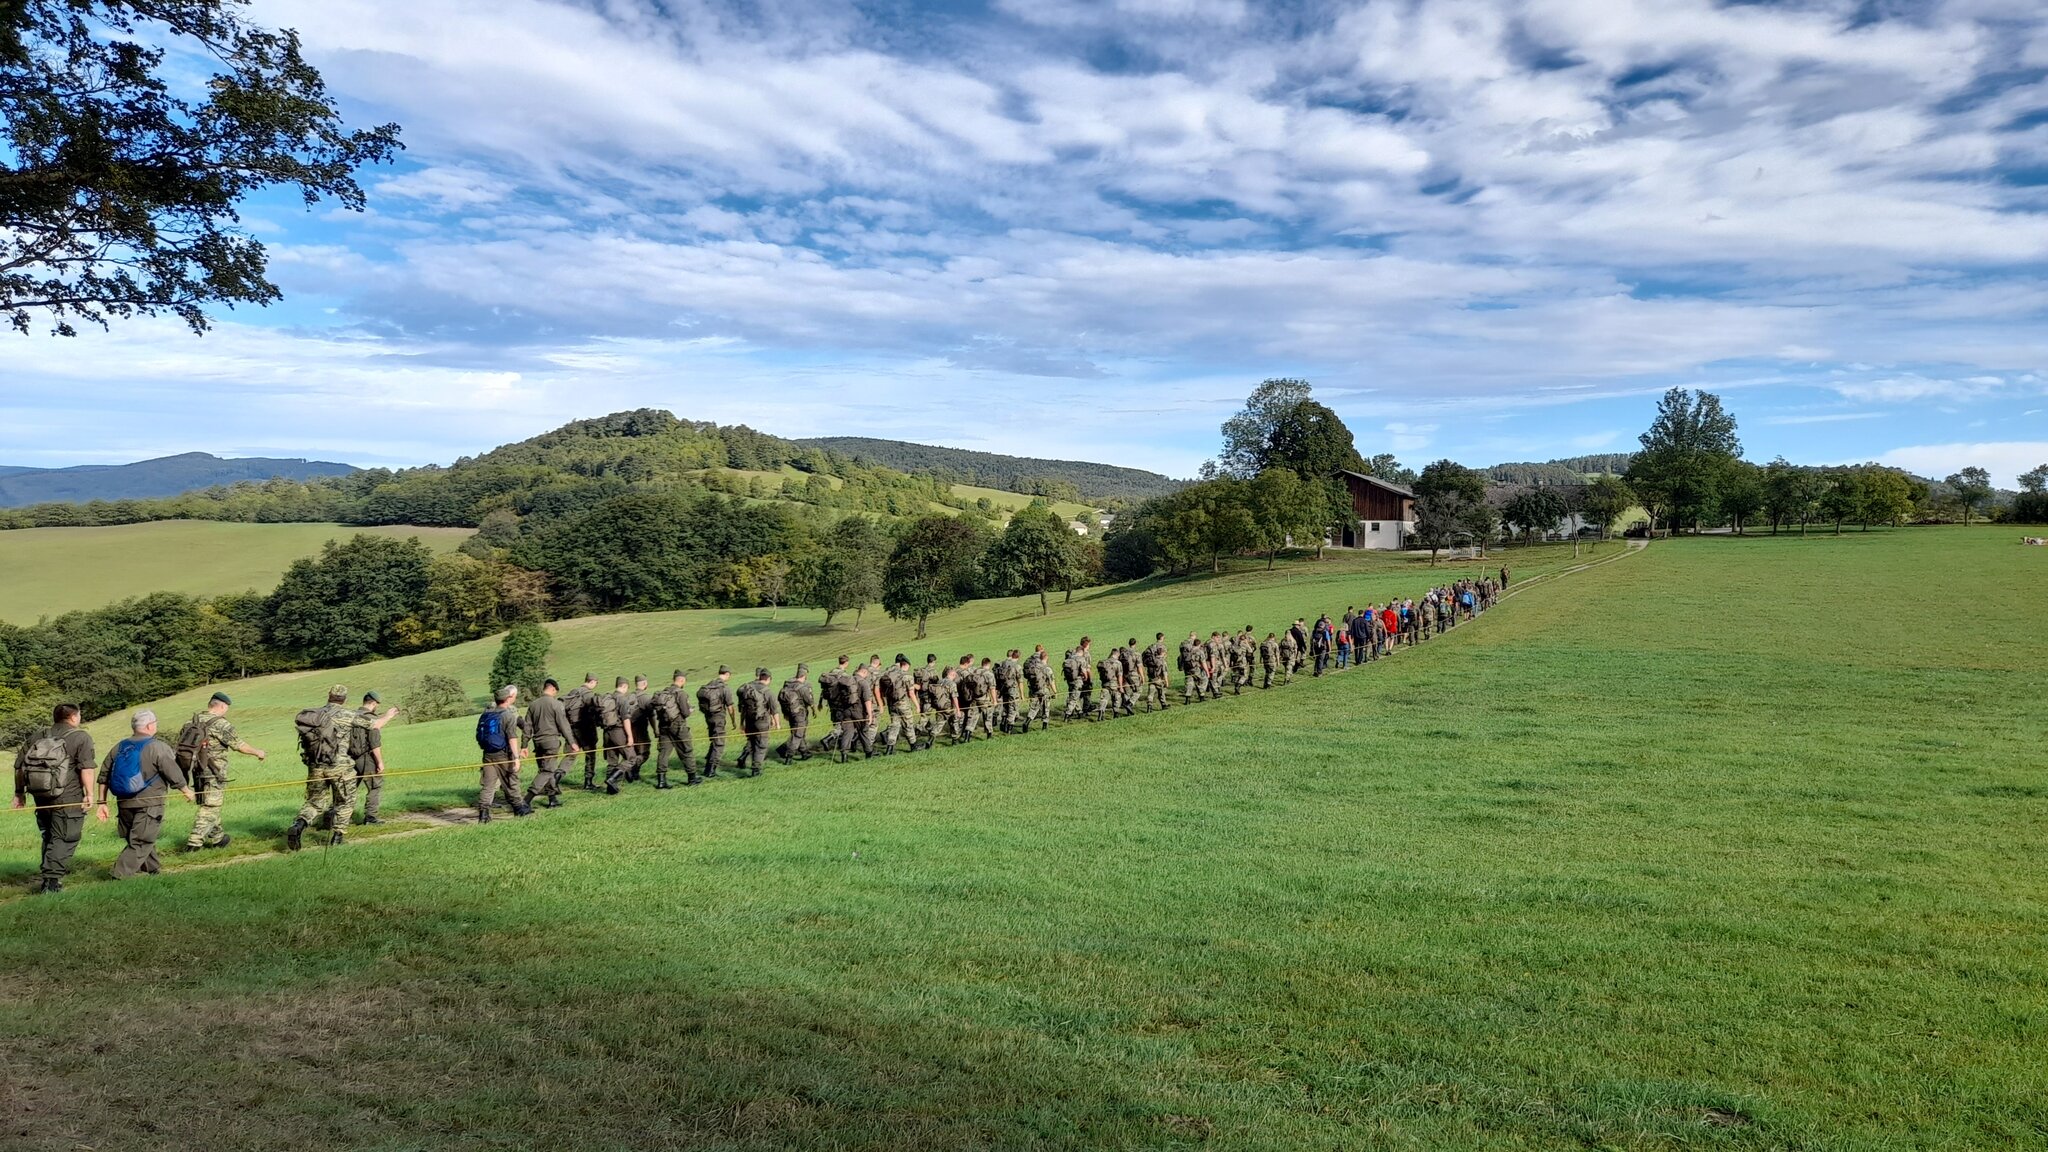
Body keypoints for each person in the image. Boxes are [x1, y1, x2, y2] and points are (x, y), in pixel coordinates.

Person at [286, 686, 398, 851]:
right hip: (340, 766)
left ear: (329, 696)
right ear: (344, 699)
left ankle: (298, 825)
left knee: (314, 802)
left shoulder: (317, 714)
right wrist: (388, 715)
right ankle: (337, 838)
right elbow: (376, 725)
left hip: (316, 765)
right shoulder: (347, 715)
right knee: (346, 801)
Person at [13, 703, 100, 893]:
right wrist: (90, 794)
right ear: (74, 717)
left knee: (50, 836)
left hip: (40, 796)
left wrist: (19, 793)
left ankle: (48, 874)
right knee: (65, 837)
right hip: (68, 797)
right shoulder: (81, 737)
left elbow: (19, 767)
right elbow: (86, 768)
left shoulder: (38, 736)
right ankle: (51, 882)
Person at [97, 709, 193, 880]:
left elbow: (103, 776)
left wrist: (101, 802)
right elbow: (172, 772)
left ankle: (152, 870)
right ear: (149, 726)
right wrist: (186, 790)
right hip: (150, 804)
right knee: (141, 841)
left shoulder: (119, 747)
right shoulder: (157, 747)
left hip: (124, 803)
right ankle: (118, 876)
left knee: (139, 838)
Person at [176, 691, 265, 853]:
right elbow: (239, 745)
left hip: (196, 770)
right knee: (211, 806)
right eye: (226, 708)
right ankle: (194, 843)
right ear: (222, 706)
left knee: (209, 803)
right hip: (214, 772)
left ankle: (218, 838)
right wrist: (257, 752)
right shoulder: (221, 724)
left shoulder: (190, 722)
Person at [476, 685, 530, 822]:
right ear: (507, 699)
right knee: (511, 781)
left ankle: (483, 814)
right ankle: (519, 808)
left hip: (488, 754)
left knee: (488, 785)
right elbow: (512, 737)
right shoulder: (508, 715)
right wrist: (516, 757)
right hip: (504, 755)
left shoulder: (486, 714)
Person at [523, 679, 577, 808]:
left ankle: (552, 800)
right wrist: (572, 742)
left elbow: (527, 727)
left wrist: (524, 745)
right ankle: (526, 800)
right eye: (555, 692)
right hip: (551, 742)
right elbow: (564, 725)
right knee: (547, 771)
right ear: (552, 689)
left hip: (538, 742)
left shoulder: (533, 705)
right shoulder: (556, 704)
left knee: (547, 769)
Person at [349, 690, 388, 825]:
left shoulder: (352, 716)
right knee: (374, 786)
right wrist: (380, 762)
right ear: (373, 703)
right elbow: (374, 744)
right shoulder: (371, 719)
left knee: (348, 789)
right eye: (377, 704)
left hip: (349, 759)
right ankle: (371, 817)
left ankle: (334, 817)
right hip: (367, 759)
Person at [652, 670, 694, 788]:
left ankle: (661, 781)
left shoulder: (664, 692)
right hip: (678, 726)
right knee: (686, 750)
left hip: (663, 726)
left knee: (664, 752)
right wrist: (690, 711)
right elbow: (685, 713)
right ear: (682, 680)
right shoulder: (681, 693)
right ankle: (692, 777)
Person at [735, 668, 779, 776]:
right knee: (761, 745)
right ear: (768, 678)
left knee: (751, 741)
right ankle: (756, 769)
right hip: (762, 722)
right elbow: (774, 710)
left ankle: (744, 758)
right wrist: (777, 724)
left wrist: (741, 723)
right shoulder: (767, 691)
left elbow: (743, 708)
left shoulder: (748, 688)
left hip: (748, 720)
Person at [597, 678, 637, 793]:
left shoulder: (608, 698)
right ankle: (612, 779)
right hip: (618, 732)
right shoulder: (622, 699)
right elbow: (626, 719)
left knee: (612, 761)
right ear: (624, 686)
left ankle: (610, 790)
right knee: (631, 758)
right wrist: (630, 736)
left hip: (606, 733)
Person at [562, 674, 600, 790]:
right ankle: (588, 782)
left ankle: (555, 779)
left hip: (571, 728)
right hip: (585, 729)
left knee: (570, 755)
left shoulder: (573, 692)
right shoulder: (589, 694)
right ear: (592, 682)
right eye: (596, 683)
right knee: (590, 755)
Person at [698, 667, 736, 776]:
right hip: (718, 718)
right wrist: (733, 721)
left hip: (708, 717)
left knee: (714, 740)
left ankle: (708, 761)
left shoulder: (709, 685)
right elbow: (730, 707)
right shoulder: (724, 688)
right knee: (719, 743)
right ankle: (710, 770)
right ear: (727, 674)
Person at [881, 655, 920, 754]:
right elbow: (911, 693)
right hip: (903, 704)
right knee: (908, 725)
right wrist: (917, 705)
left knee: (894, 725)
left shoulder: (890, 673)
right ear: (905, 664)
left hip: (891, 704)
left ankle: (889, 749)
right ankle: (913, 745)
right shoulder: (907, 676)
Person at [777, 665, 815, 764]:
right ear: (804, 675)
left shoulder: (788, 684)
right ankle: (788, 756)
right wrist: (814, 710)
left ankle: (804, 752)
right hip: (799, 714)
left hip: (790, 712)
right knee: (798, 735)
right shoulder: (802, 687)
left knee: (798, 732)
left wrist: (785, 713)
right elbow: (810, 701)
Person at [627, 675, 658, 782]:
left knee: (634, 752)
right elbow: (651, 716)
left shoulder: (629, 696)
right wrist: (656, 730)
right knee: (644, 753)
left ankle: (634, 774)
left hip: (628, 729)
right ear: (645, 683)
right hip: (640, 730)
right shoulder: (645, 697)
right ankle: (629, 769)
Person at [1023, 645, 1055, 730]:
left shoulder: (1031, 662)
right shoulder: (1046, 668)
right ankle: (1045, 725)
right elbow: (1051, 681)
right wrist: (1055, 692)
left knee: (1033, 707)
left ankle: (1027, 722)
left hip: (1033, 688)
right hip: (1044, 689)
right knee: (1046, 707)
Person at [996, 649, 1025, 733]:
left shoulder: (1003, 663)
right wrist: (1022, 695)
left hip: (1003, 689)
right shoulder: (1017, 666)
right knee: (1013, 709)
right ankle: (1009, 729)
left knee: (1005, 707)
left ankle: (1003, 725)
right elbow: (1020, 681)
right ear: (1018, 656)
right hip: (1012, 690)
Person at [1142, 633, 1170, 711]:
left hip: (1151, 676)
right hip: (1159, 677)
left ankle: (1149, 706)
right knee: (1161, 691)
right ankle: (1164, 705)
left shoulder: (1152, 647)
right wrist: (1166, 681)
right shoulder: (1162, 659)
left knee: (1151, 691)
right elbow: (1164, 672)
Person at [1061, 647, 1087, 721]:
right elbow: (1084, 671)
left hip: (1069, 681)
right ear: (1082, 652)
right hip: (1077, 680)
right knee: (1074, 698)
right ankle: (1067, 714)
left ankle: (1079, 712)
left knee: (1074, 695)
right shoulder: (1081, 659)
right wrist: (1085, 677)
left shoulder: (1070, 658)